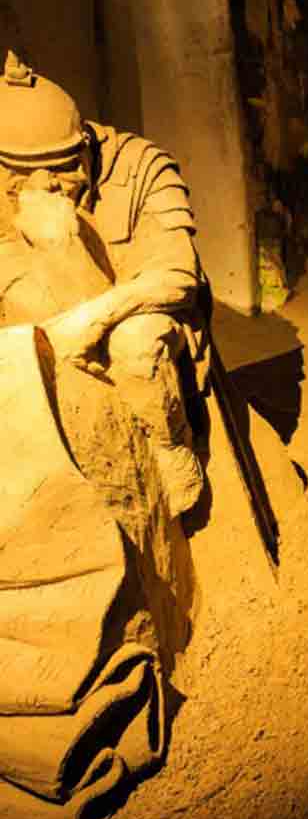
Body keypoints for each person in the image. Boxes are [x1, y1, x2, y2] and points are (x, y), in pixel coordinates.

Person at [0, 51, 207, 516]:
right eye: (22, 175)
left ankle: (172, 448)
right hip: (48, 310)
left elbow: (177, 275)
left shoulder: (140, 165)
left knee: (135, 350)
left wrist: (89, 316)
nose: (49, 185)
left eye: (62, 168)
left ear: (85, 149)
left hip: (138, 312)